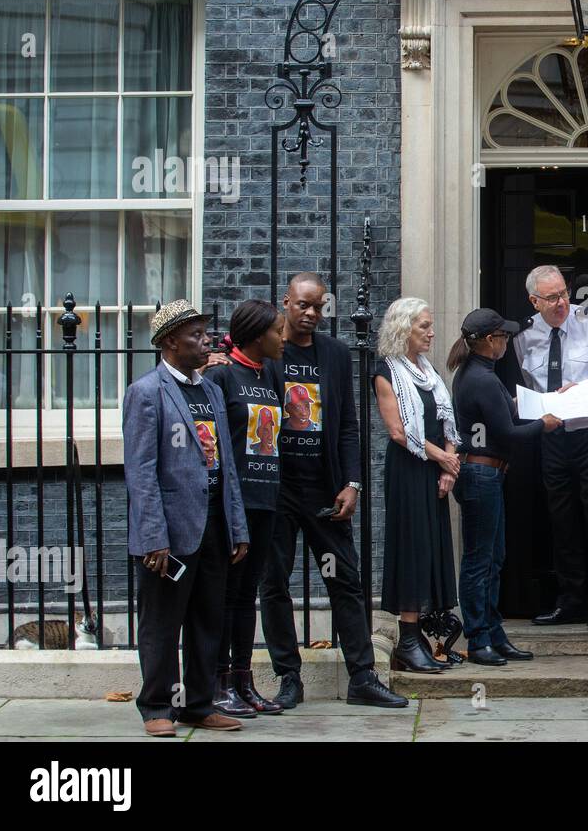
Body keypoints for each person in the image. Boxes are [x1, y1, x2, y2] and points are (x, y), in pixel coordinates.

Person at [260, 273, 408, 708]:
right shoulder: (268, 352)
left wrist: (352, 483)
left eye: (318, 307)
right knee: (274, 585)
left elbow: (347, 425)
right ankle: (288, 678)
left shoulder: (336, 354)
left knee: (344, 581)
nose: (310, 314)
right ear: (285, 302)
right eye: (303, 305)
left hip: (324, 490)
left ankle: (362, 676)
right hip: (277, 489)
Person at [122, 300, 250, 737]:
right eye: (195, 335)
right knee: (161, 621)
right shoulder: (146, 392)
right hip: (171, 530)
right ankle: (157, 705)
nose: (206, 340)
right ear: (170, 341)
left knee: (207, 618)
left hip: (214, 524)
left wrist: (237, 525)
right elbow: (140, 472)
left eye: (205, 332)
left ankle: (198, 703)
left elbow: (227, 465)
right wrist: (152, 537)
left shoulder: (211, 390)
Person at [513, 265, 588, 631]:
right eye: (552, 298)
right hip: (553, 439)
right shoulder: (524, 336)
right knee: (561, 521)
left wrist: (582, 389)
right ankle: (570, 600)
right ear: (535, 301)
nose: (562, 302)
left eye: (563, 293)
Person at [447, 309, 561, 666]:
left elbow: (499, 417)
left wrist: (522, 405)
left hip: (485, 474)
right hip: (481, 475)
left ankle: (494, 634)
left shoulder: (480, 374)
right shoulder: (480, 378)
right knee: (480, 561)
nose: (507, 342)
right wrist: (545, 422)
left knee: (493, 559)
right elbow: (508, 434)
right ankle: (479, 638)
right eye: (503, 337)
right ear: (488, 341)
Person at [371, 297, 463, 674]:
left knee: (432, 546)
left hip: (433, 470)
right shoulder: (385, 372)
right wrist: (442, 458)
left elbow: (447, 421)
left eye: (430, 325)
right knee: (412, 546)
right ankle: (407, 640)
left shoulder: (427, 371)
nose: (431, 332)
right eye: (423, 325)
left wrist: (448, 467)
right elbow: (398, 432)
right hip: (409, 469)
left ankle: (423, 635)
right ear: (402, 328)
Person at [204, 300, 287, 717]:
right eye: (277, 331)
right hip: (233, 504)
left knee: (246, 595)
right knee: (227, 594)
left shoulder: (267, 373)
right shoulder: (220, 375)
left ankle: (243, 680)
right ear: (257, 336)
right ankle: (219, 683)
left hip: (266, 499)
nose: (283, 337)